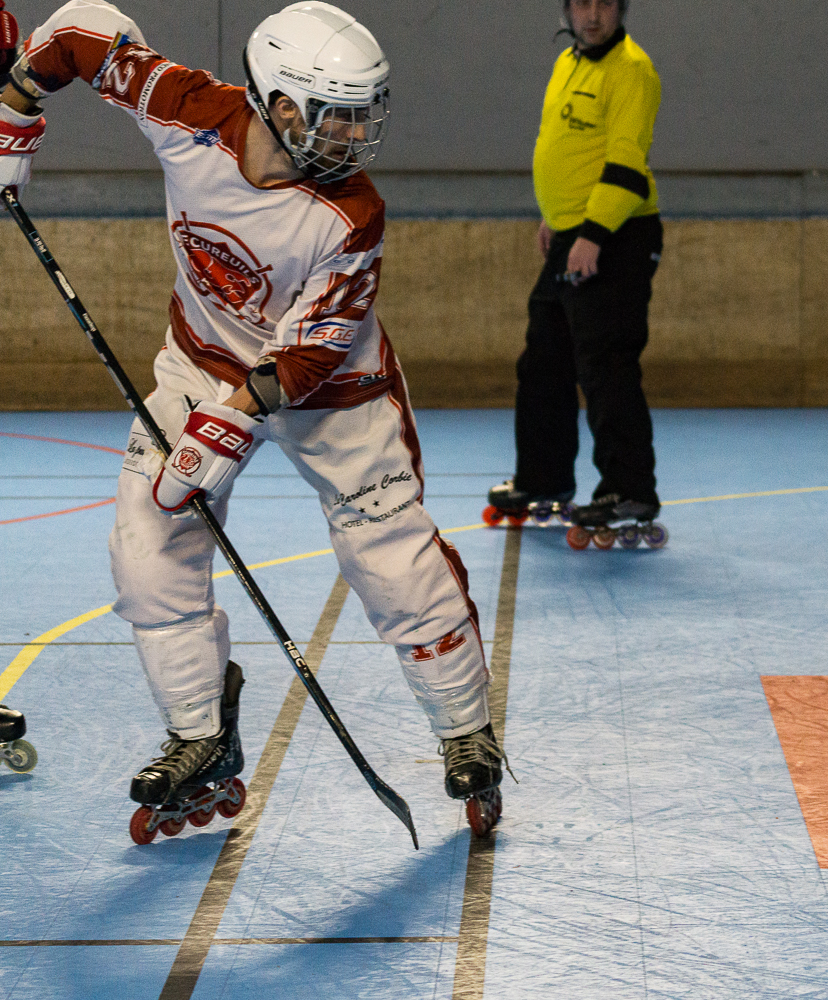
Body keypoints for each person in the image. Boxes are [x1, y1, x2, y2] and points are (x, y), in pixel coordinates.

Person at [0, 0, 505, 837]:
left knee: (391, 557)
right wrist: (16, 107)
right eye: (337, 118)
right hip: (198, 363)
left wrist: (227, 424)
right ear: (279, 104)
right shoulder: (187, 111)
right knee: (147, 541)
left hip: (335, 396)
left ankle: (466, 730)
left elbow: (316, 347)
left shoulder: (354, 213)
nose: (354, 136)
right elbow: (85, 33)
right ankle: (201, 734)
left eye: (362, 117)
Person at [487, 0, 665, 536]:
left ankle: (628, 491)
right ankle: (544, 478)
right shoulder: (570, 61)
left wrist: (591, 233)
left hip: (615, 236)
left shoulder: (632, 70)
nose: (593, 15)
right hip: (571, 232)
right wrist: (556, 216)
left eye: (605, 3)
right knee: (544, 358)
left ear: (621, 8)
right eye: (582, 3)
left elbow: (627, 162)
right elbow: (565, 147)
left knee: (606, 363)